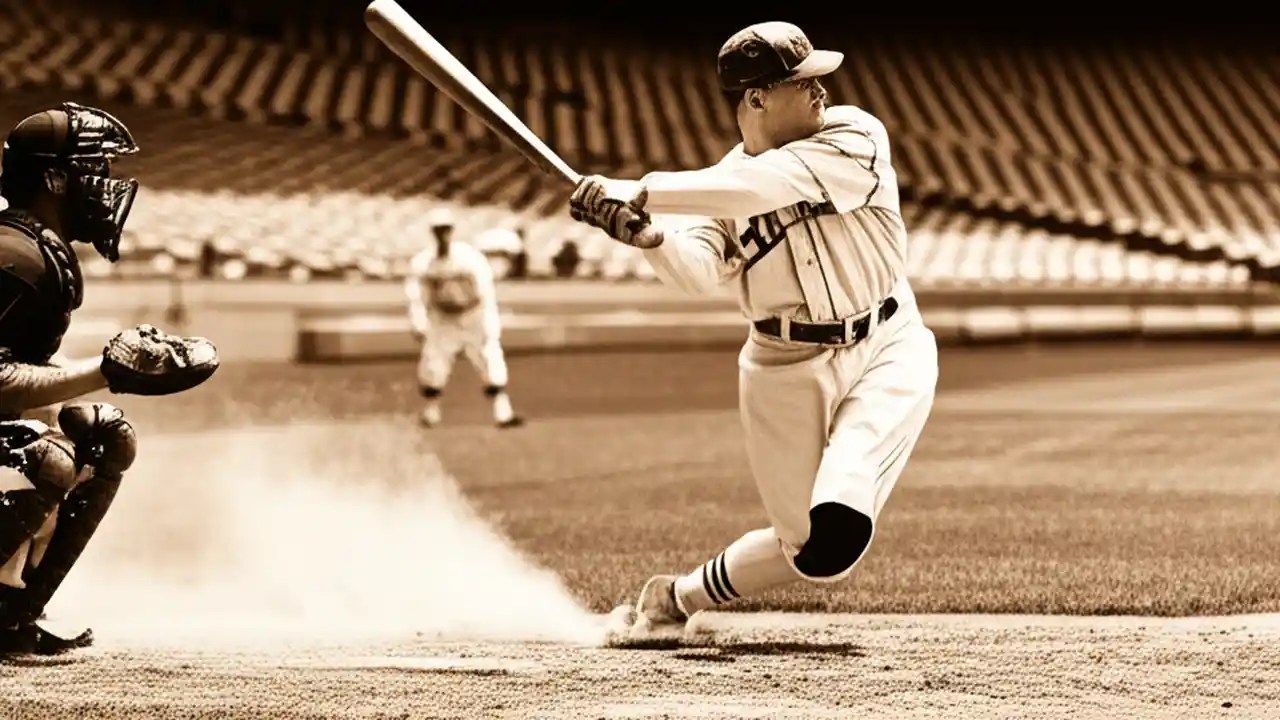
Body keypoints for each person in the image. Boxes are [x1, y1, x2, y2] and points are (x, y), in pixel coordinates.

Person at [567, 22, 939, 637]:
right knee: (812, 550)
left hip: (887, 344)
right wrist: (648, 236)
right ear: (757, 98)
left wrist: (638, 191)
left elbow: (761, 186)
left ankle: (693, 592)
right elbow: (696, 272)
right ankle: (676, 599)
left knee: (843, 499)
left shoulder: (856, 134)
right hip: (782, 364)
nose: (821, 89)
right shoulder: (717, 190)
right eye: (802, 81)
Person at [0, 102, 220, 655]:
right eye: (96, 171)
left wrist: (88, 390)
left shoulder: (31, 249)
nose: (106, 187)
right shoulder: (12, 255)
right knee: (45, 457)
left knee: (100, 435)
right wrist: (105, 370)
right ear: (55, 179)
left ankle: (9, 615)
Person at [405, 208, 524, 429]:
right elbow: (416, 295)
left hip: (472, 316)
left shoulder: (469, 258)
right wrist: (418, 319)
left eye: (446, 229)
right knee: (433, 364)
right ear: (433, 232)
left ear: (452, 231)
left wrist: (489, 323)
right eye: (438, 230)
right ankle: (431, 412)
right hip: (443, 319)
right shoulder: (423, 262)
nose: (443, 234)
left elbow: (485, 292)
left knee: (489, 361)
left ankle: (503, 412)